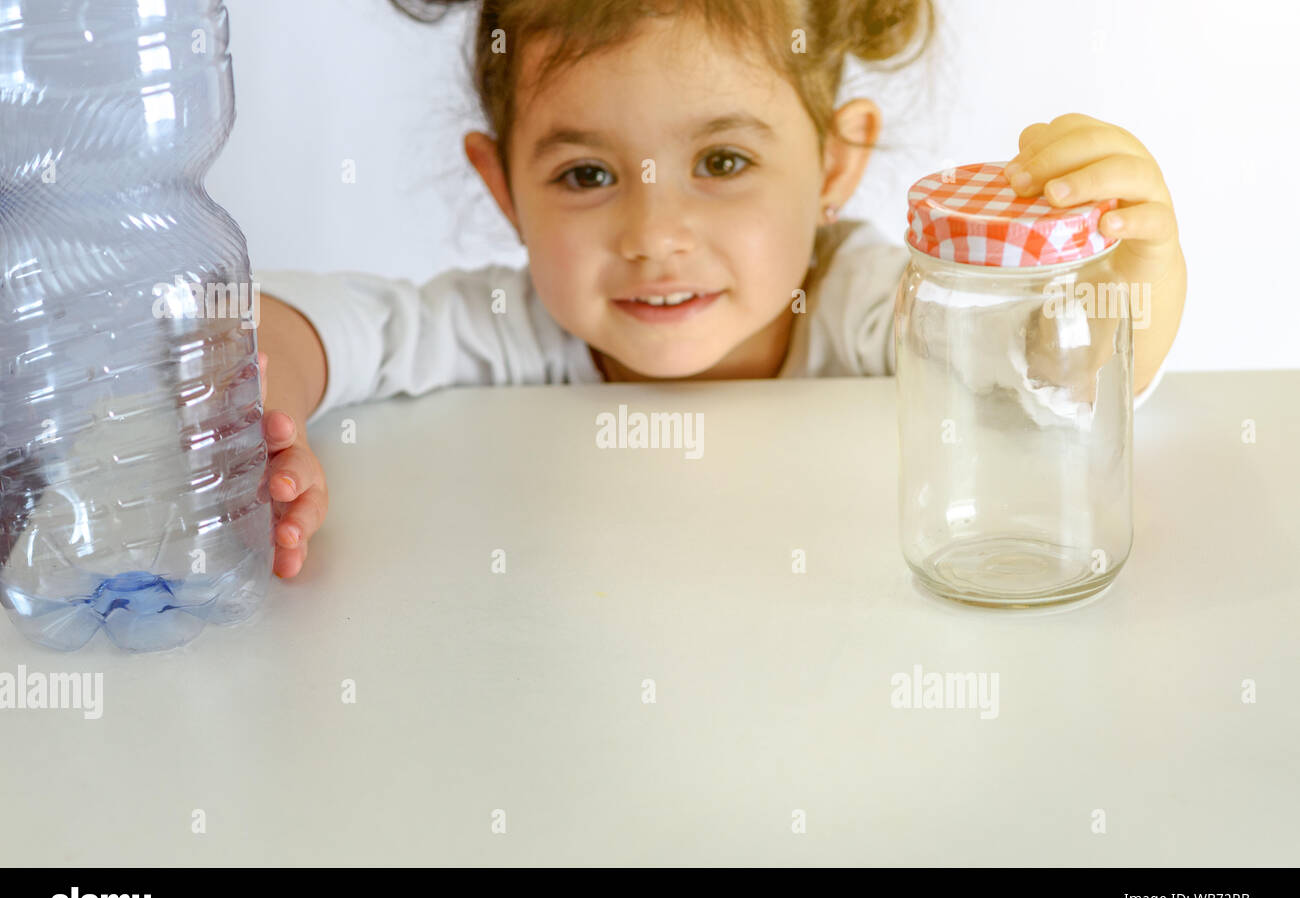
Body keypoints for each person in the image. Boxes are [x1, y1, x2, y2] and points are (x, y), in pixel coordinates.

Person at [253, 0, 1185, 579]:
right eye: (586, 174)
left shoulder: (869, 302)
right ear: (504, 189)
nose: (654, 236)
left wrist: (1125, 289)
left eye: (723, 160)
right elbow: (328, 325)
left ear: (833, 164)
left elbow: (1039, 379)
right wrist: (265, 404)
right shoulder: (511, 329)